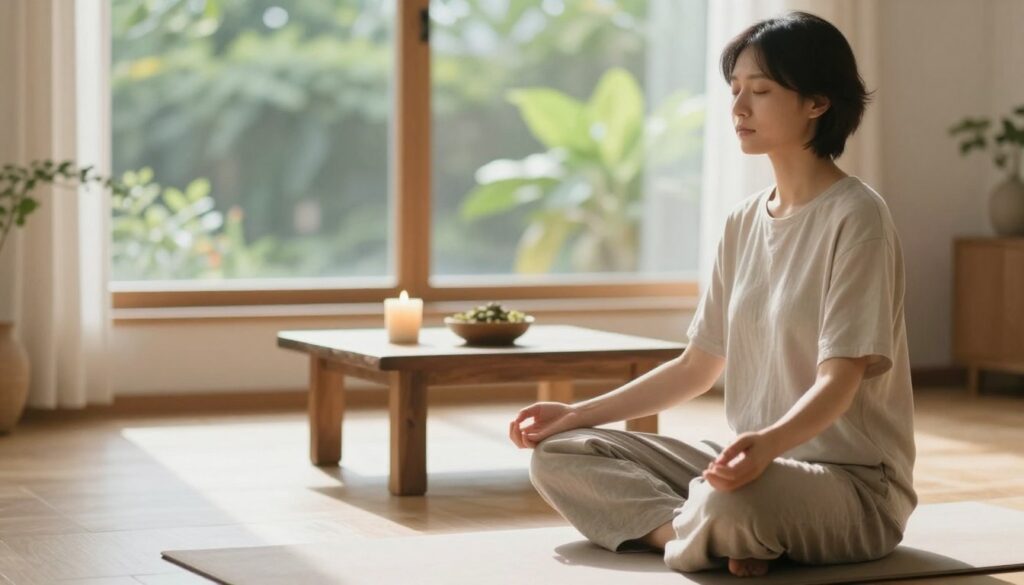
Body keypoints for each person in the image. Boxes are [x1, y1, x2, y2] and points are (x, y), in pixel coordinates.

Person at [508, 10, 917, 578]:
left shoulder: (857, 217)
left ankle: (714, 526)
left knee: (735, 498)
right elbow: (697, 367)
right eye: (735, 91)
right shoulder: (742, 222)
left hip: (850, 485)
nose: (739, 108)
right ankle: (703, 536)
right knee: (560, 455)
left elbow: (838, 384)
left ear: (817, 103)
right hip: (751, 464)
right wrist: (575, 414)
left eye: (762, 91)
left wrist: (767, 447)